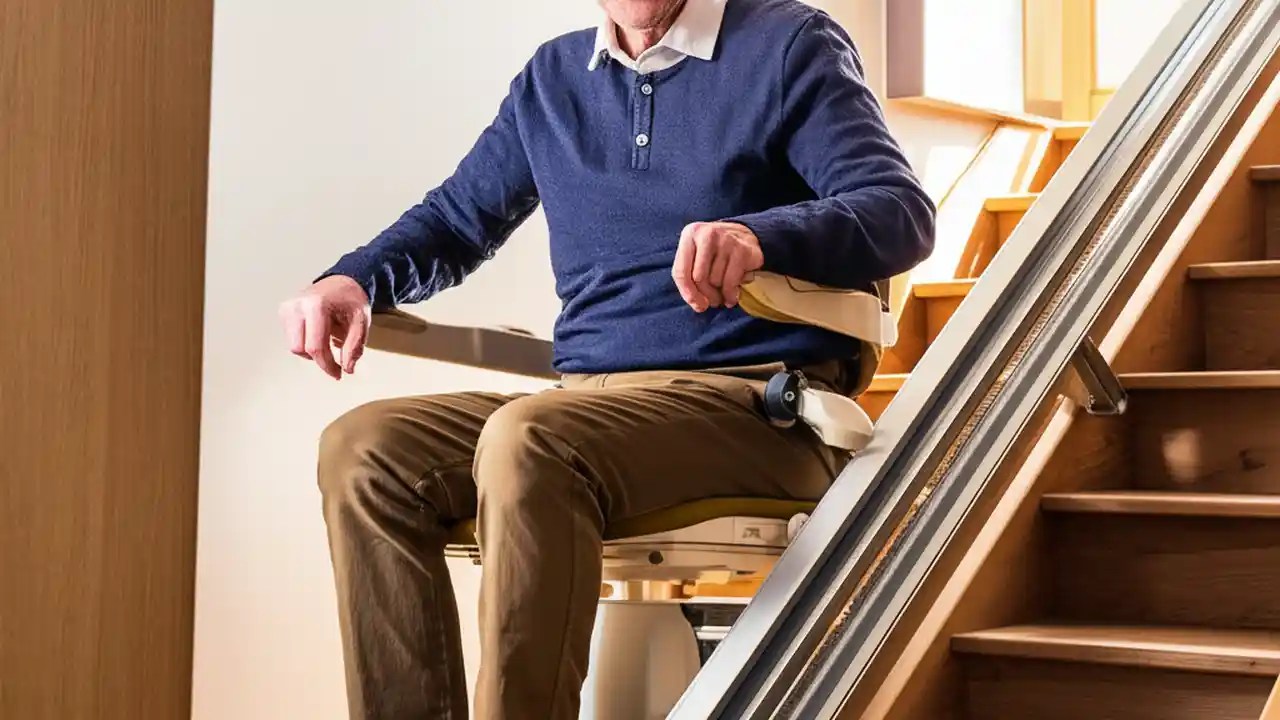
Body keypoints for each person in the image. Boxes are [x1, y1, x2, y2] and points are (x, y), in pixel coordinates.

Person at [277, 0, 935, 717]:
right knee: (364, 450)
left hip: (752, 406)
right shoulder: (554, 79)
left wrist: (761, 237)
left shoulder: (787, 46)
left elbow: (899, 210)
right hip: (587, 403)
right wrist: (354, 279)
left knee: (530, 439)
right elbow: (454, 221)